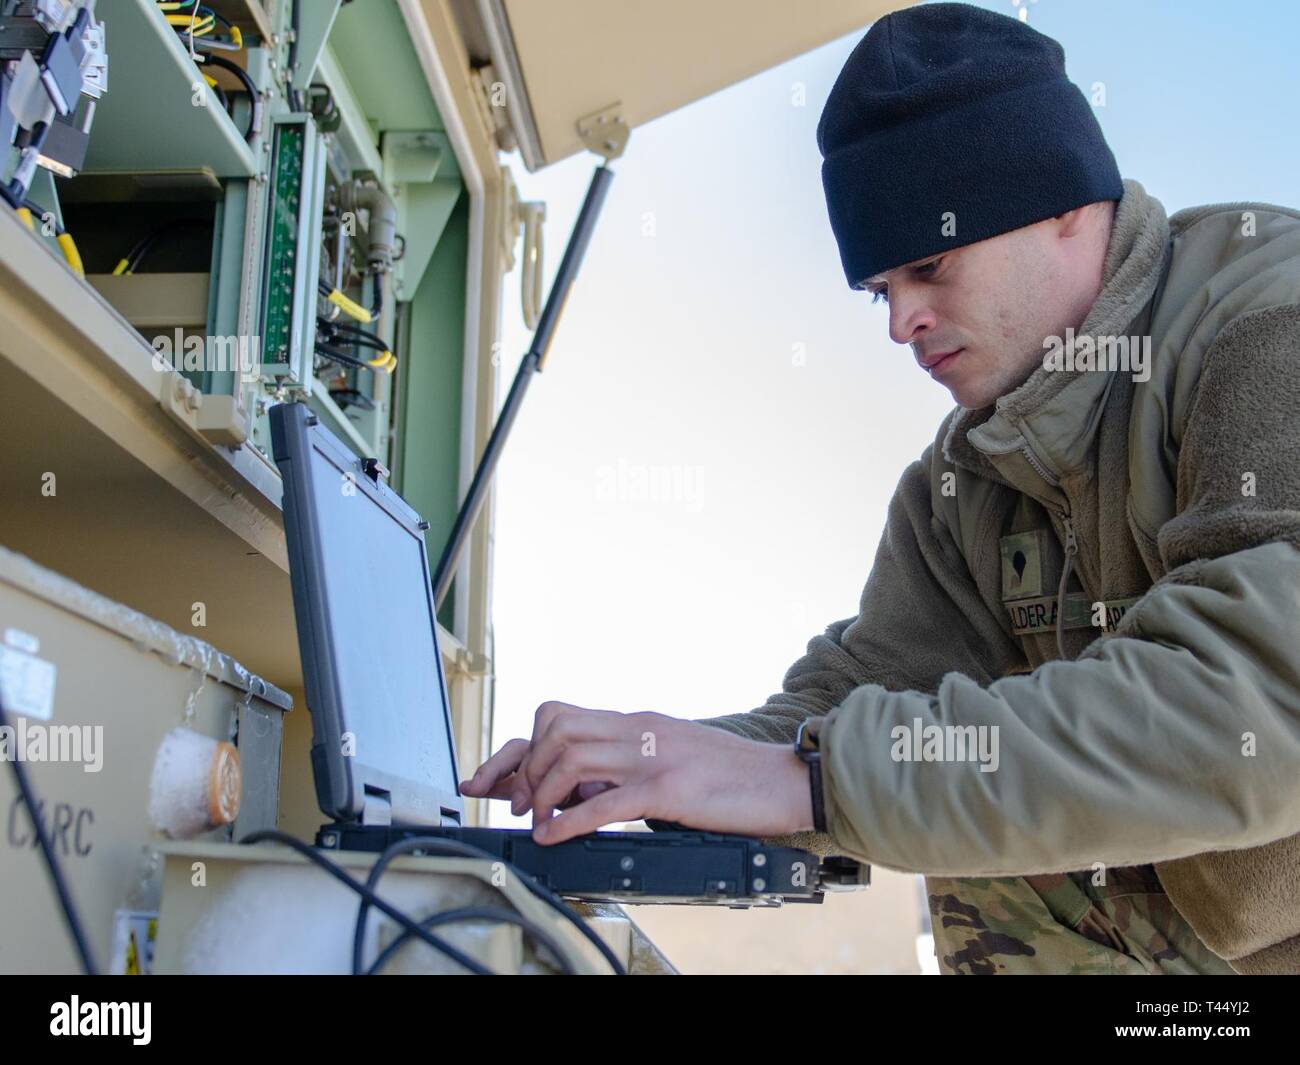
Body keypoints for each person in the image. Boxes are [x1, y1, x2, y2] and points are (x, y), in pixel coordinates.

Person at [463, 2, 1300, 974]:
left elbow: (1261, 701)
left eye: (928, 265)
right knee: (946, 812)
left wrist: (819, 781)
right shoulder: (966, 478)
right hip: (1212, 939)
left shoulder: (1262, 322)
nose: (899, 323)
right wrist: (659, 761)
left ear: (1065, 200)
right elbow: (859, 699)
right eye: (877, 289)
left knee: (934, 792)